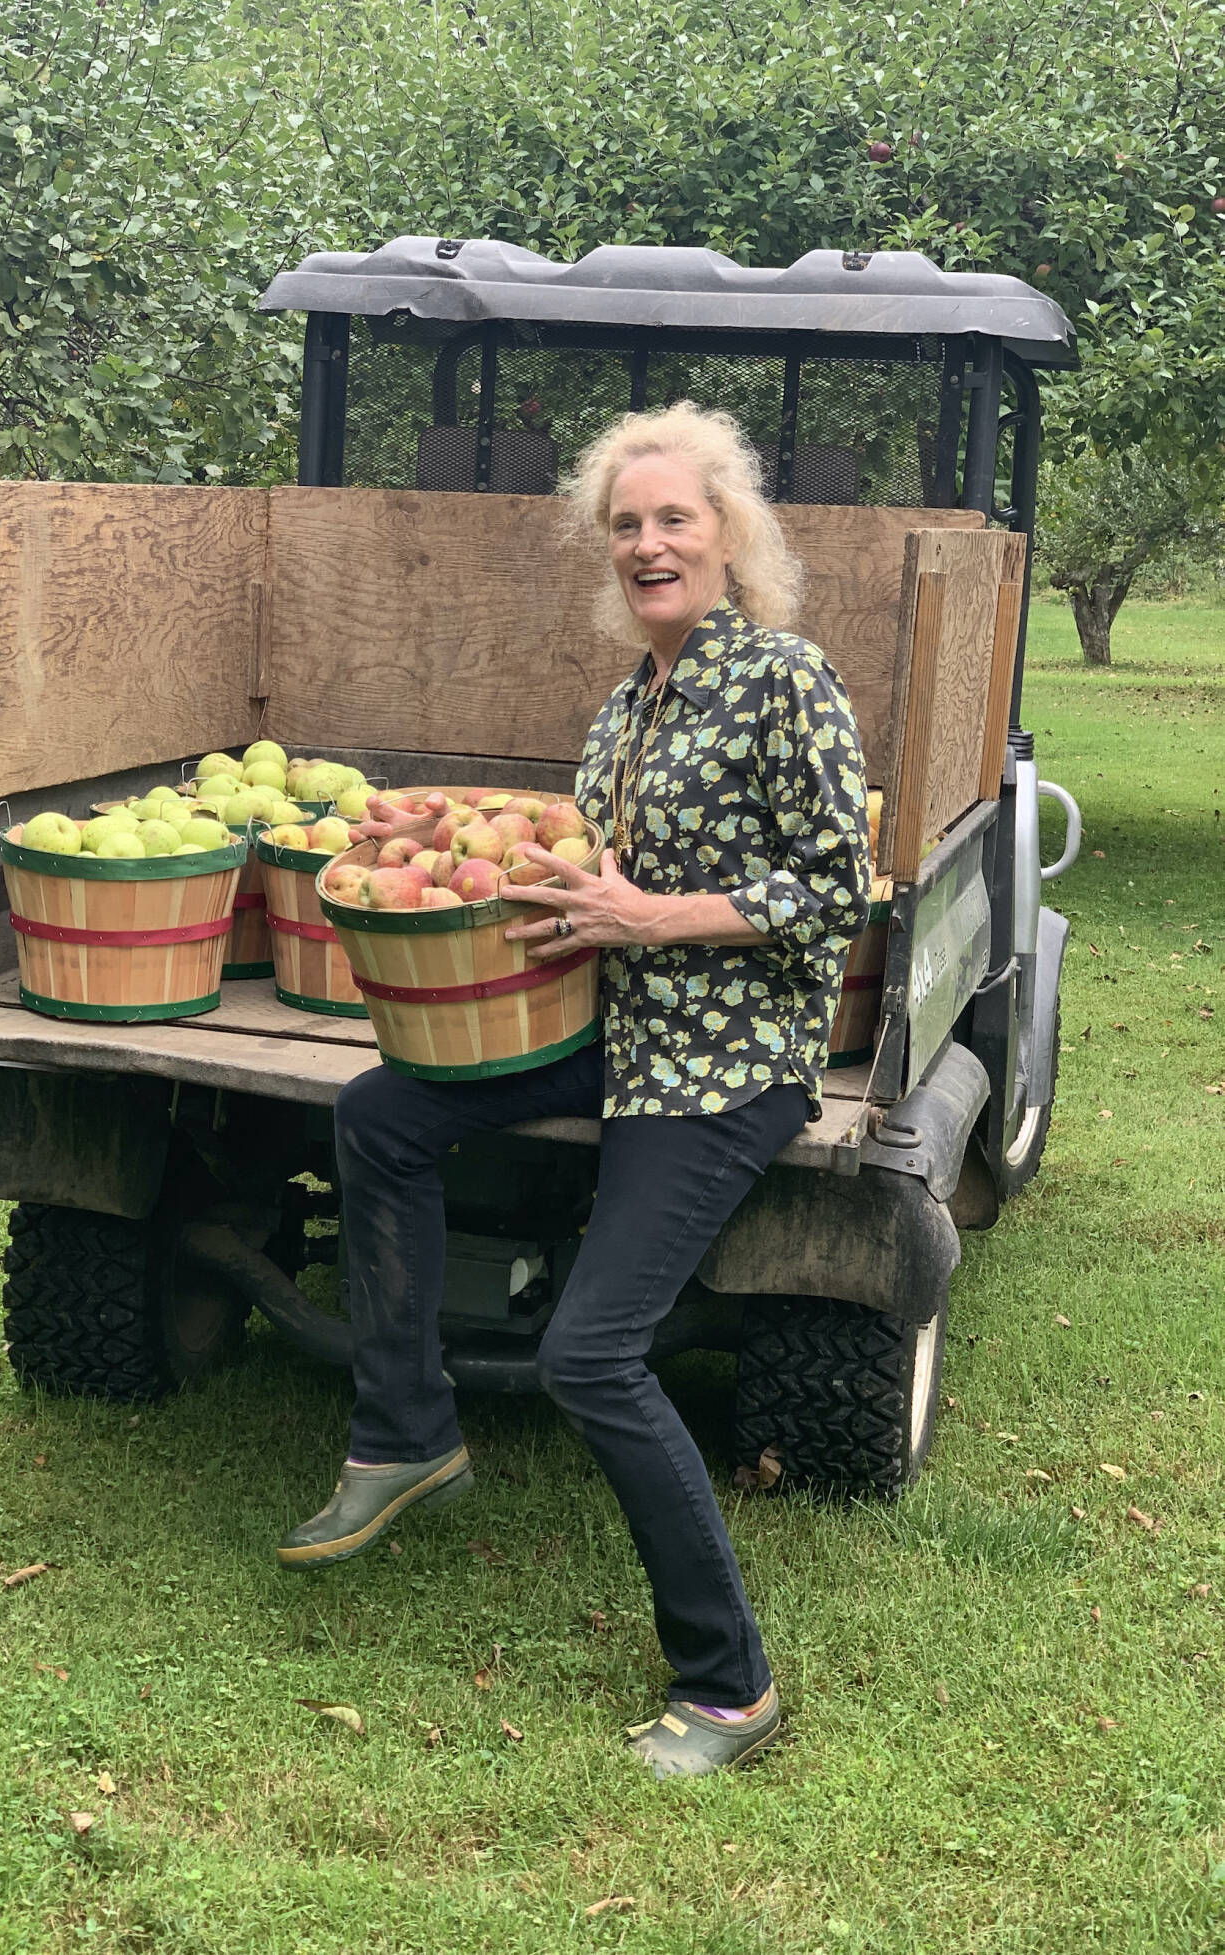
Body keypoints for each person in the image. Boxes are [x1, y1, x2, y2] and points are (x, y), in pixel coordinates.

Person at [278, 403, 870, 1780]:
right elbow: (585, 876)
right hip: (616, 1024)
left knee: (590, 1354)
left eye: (674, 518)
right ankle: (406, 1432)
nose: (647, 543)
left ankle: (729, 1686)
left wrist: (651, 917)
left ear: (728, 534)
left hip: (724, 1053)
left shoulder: (783, 678)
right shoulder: (623, 707)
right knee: (380, 1113)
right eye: (624, 524)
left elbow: (838, 887)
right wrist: (470, 857)